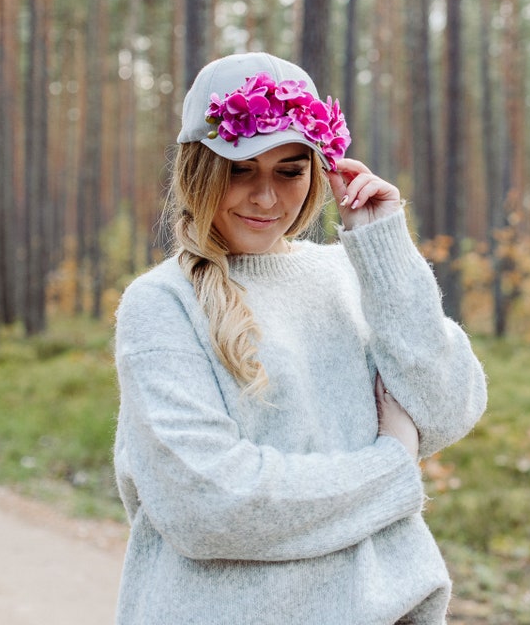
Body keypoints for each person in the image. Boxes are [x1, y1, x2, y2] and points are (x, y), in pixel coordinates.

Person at [112, 51, 488, 624]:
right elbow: (209, 504)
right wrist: (391, 465)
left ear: (317, 172)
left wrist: (383, 246)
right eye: (241, 169)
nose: (266, 198)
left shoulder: (346, 274)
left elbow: (445, 407)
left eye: (289, 170)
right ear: (199, 170)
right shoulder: (161, 303)